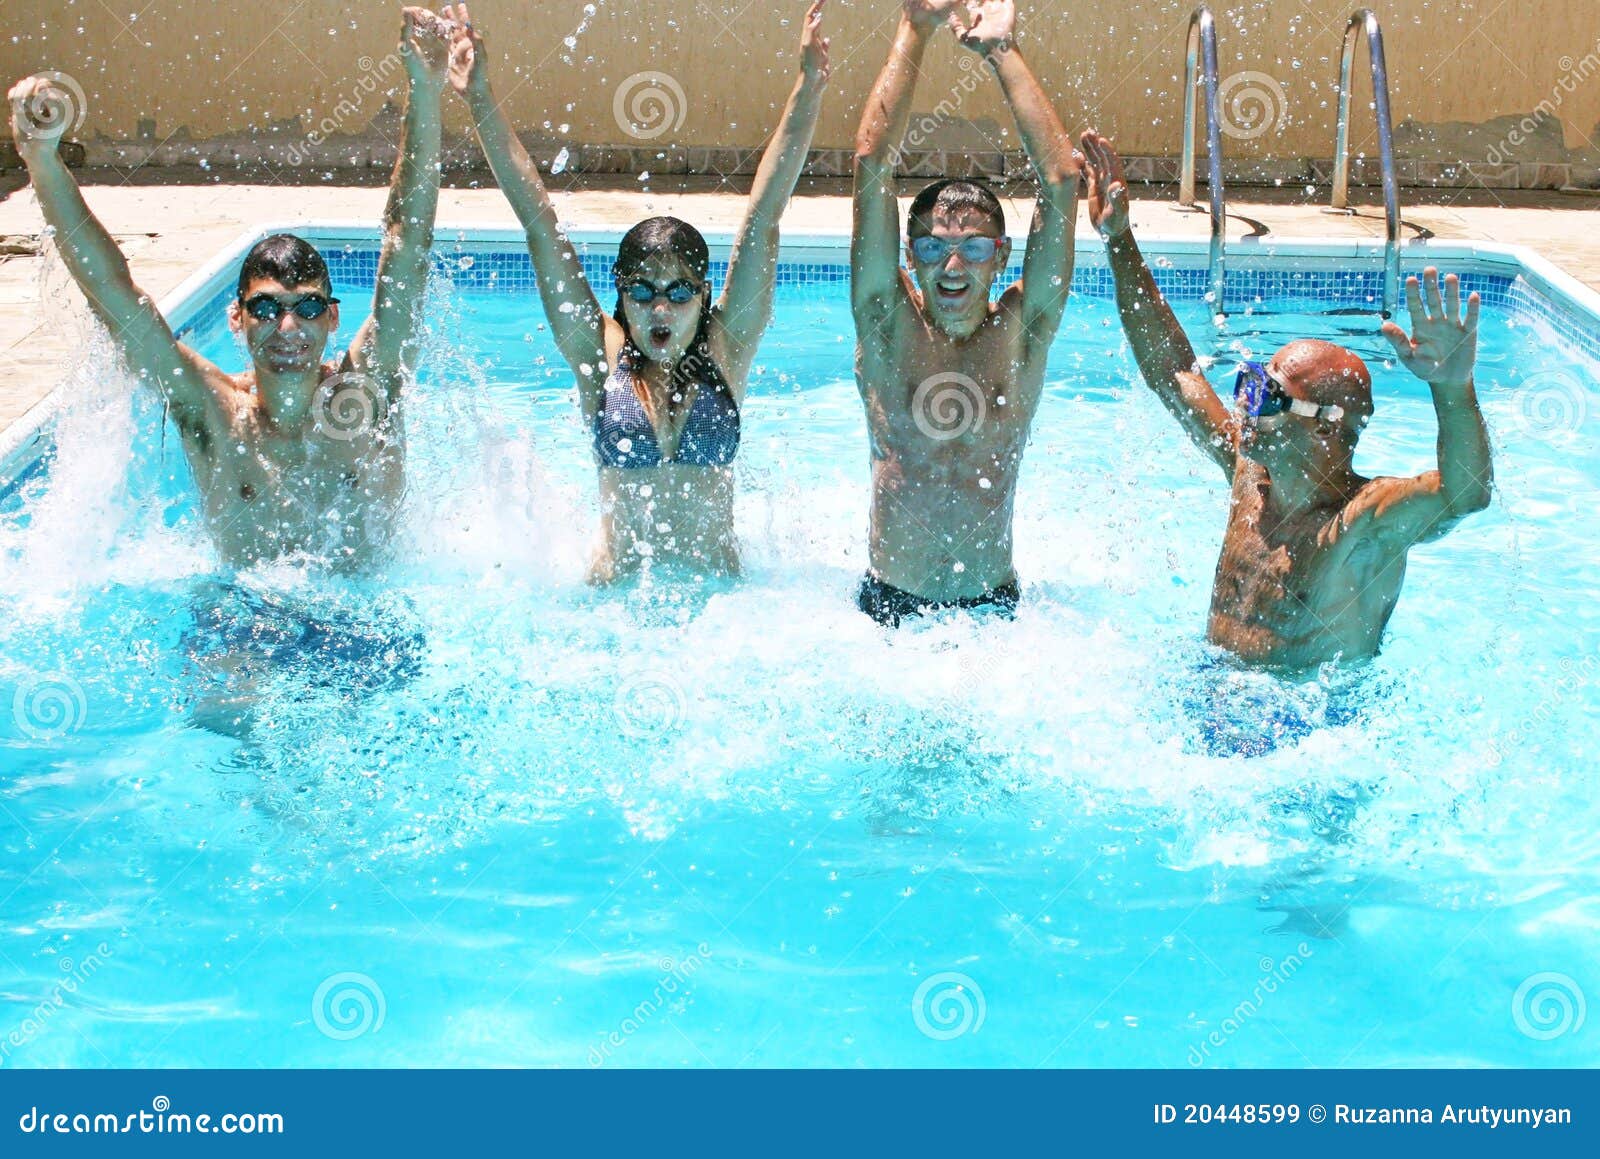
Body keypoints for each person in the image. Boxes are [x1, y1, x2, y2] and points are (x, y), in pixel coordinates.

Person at [5, 7, 453, 574]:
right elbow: (114, 294)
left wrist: (425, 92)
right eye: (266, 308)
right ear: (236, 318)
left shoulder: (368, 392)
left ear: (333, 318)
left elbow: (407, 245)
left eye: (307, 307)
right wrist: (41, 161)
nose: (288, 328)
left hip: (369, 617)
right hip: (238, 616)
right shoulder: (213, 413)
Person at [446, 1, 831, 584]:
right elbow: (539, 222)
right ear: (620, 295)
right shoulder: (598, 356)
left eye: (679, 293)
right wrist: (479, 97)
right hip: (614, 609)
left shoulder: (728, 346)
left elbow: (765, 213)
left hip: (723, 609)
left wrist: (808, 87)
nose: (660, 309)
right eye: (643, 292)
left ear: (704, 294)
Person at [1080, 131, 1494, 670]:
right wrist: (1118, 239)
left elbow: (1463, 496)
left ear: (1325, 425)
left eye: (1267, 395)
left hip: (1313, 715)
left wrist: (1452, 388)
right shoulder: (1250, 474)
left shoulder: (1362, 525)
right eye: (1249, 384)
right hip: (1213, 693)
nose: (1245, 406)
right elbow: (1173, 371)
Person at [851, 0, 1080, 627]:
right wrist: (913, 29)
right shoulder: (886, 322)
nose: (952, 266)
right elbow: (871, 164)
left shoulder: (1023, 333)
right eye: (933, 248)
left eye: (974, 249)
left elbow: (1061, 182)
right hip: (889, 610)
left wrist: (1003, 51)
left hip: (992, 611)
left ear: (1000, 255)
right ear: (910, 255)